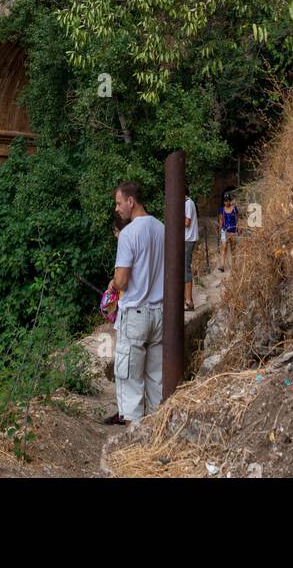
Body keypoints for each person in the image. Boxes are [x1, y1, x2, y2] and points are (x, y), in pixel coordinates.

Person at [103, 181, 164, 427]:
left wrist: (113, 283)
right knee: (156, 379)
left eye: (119, 203)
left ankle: (133, 442)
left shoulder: (128, 234)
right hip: (159, 313)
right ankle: (156, 434)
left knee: (129, 379)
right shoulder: (162, 228)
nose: (117, 209)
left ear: (131, 201)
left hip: (135, 314)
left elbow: (123, 280)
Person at [184, 188, 199, 311]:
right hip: (187, 239)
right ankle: (188, 299)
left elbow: (187, 222)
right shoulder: (188, 203)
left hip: (188, 239)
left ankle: (188, 301)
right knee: (184, 268)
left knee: (185, 268)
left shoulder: (188, 203)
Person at [218, 191, 240, 271]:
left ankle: (234, 266)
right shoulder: (222, 210)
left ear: (229, 200)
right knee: (224, 247)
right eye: (225, 200)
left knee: (233, 248)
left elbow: (237, 219)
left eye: (227, 200)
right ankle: (222, 265)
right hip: (225, 231)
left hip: (233, 231)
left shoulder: (234, 209)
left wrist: (238, 228)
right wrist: (220, 230)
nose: (226, 202)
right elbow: (221, 220)